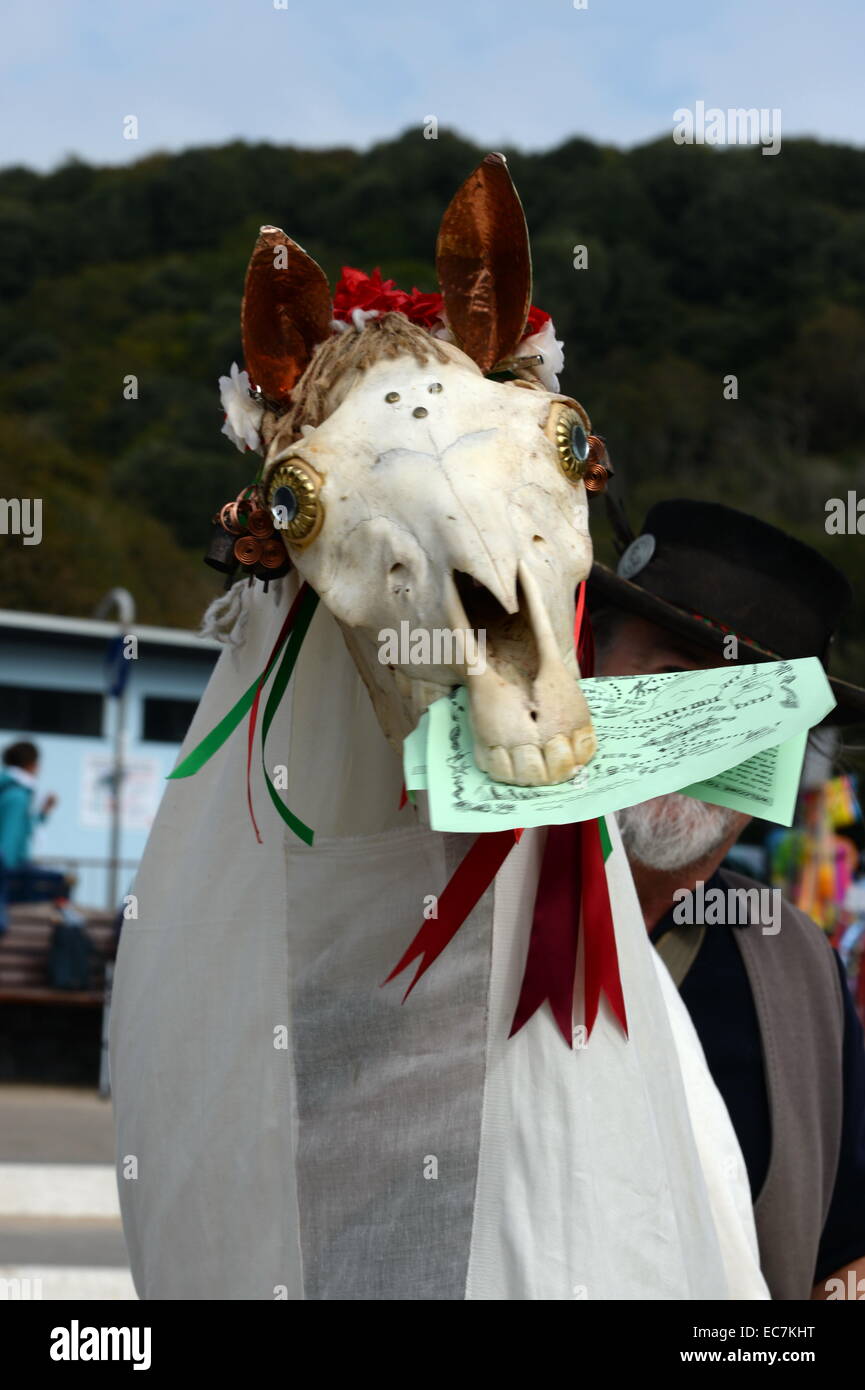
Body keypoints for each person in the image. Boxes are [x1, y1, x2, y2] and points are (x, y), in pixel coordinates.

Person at [589, 498, 865, 1301]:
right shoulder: (444, 910)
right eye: (669, 677)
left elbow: (844, 1249)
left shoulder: (796, 962)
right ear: (581, 672)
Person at [0, 740, 81, 933]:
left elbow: (24, 827)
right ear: (31, 764)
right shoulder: (18, 796)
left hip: (11, 865)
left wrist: (44, 812)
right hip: (9, 867)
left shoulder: (12, 791)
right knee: (63, 881)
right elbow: (8, 839)